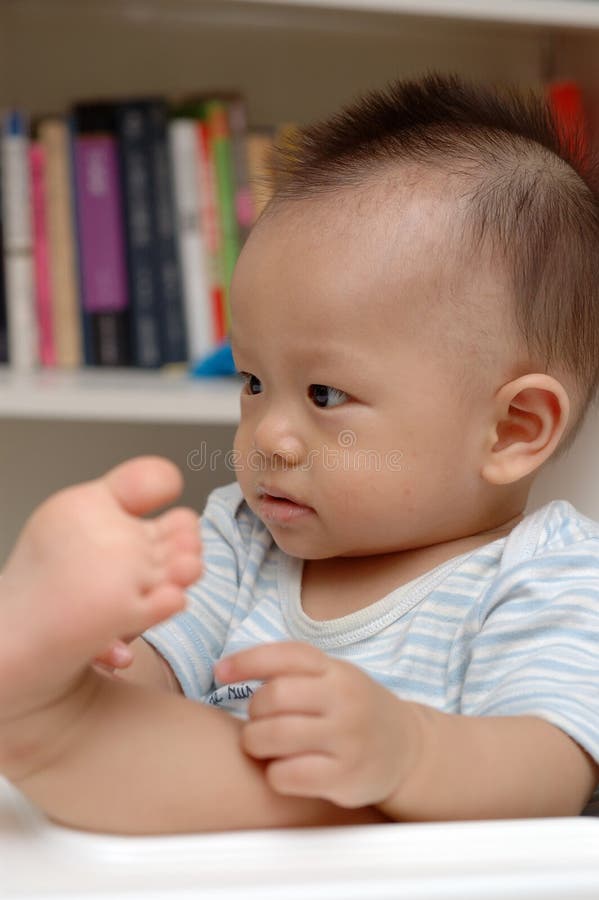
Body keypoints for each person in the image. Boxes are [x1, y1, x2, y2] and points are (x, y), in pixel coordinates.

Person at [1, 72, 599, 835]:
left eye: (323, 396)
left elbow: (546, 773)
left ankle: (38, 716)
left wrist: (404, 751)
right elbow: (154, 684)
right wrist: (101, 646)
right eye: (253, 381)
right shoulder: (243, 536)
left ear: (512, 429)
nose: (268, 437)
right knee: (174, 734)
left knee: (308, 792)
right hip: (202, 867)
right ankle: (44, 686)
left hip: (392, 860)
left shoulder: (550, 570)